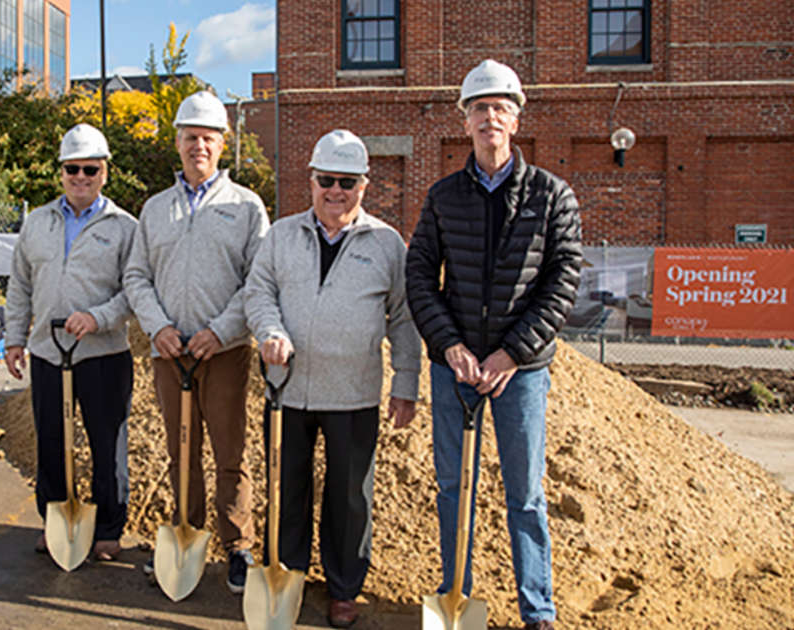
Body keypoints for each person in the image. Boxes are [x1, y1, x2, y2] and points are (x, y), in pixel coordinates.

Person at [405, 59, 582, 630]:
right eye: (479, 108)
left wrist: (513, 354)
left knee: (525, 494)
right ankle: (455, 590)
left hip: (521, 372)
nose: (489, 118)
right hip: (454, 368)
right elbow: (419, 277)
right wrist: (450, 346)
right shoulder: (442, 197)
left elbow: (562, 283)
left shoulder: (553, 197)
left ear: (516, 116)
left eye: (499, 108)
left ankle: (538, 609)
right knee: (454, 486)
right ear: (465, 121)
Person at [244, 129, 419, 628]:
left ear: (364, 186)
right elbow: (258, 293)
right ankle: (289, 573)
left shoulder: (386, 243)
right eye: (326, 180)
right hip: (287, 388)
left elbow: (404, 318)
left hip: (354, 394)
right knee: (287, 487)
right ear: (312, 181)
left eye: (346, 181)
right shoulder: (281, 235)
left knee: (348, 497)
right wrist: (270, 332)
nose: (335, 191)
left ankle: (345, 587)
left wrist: (406, 383)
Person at [123, 90, 269, 593]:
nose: (198, 146)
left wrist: (222, 330)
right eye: (190, 137)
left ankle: (237, 545)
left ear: (222, 143)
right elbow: (136, 276)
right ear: (178, 142)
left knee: (230, 451)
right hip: (169, 354)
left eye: (208, 138)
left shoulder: (246, 207)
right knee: (179, 449)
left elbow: (259, 282)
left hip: (224, 353)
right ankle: (187, 532)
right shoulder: (156, 208)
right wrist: (157, 327)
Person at [3, 123, 137, 561]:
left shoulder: (124, 227)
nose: (81, 177)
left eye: (90, 170)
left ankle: (108, 528)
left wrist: (98, 318)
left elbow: (134, 290)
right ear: (61, 172)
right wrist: (14, 338)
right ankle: (55, 519)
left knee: (106, 443)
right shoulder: (38, 222)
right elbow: (20, 284)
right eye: (72, 169)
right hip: (46, 351)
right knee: (52, 442)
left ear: (105, 172)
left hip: (103, 354)